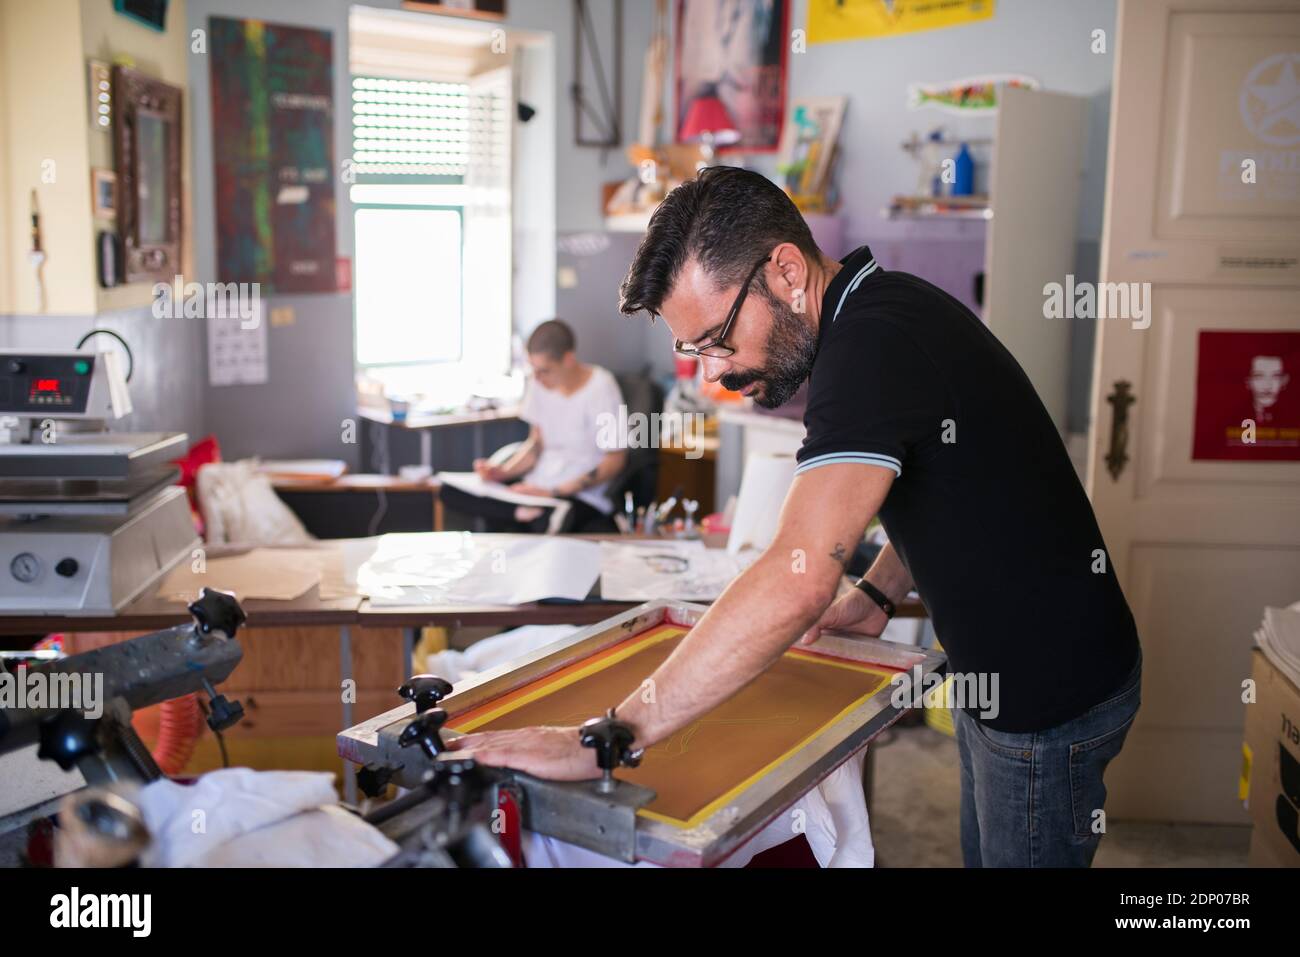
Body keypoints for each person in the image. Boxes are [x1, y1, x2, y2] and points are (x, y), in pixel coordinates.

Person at [451, 167, 1142, 868]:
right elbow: (941, 478)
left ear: (786, 271)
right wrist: (877, 592)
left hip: (1048, 691)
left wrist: (609, 734)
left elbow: (797, 574)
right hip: (1007, 667)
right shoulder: (884, 308)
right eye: (697, 351)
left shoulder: (867, 353)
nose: (716, 371)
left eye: (719, 338)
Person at [440, 319, 627, 534]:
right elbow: (536, 444)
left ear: (568, 359)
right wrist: (502, 472)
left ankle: (532, 513)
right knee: (449, 492)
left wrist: (554, 492)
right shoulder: (538, 384)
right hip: (536, 487)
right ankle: (523, 512)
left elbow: (615, 460)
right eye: (533, 370)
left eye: (545, 371)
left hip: (577, 495)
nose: (537, 378)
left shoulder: (601, 388)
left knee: (556, 514)